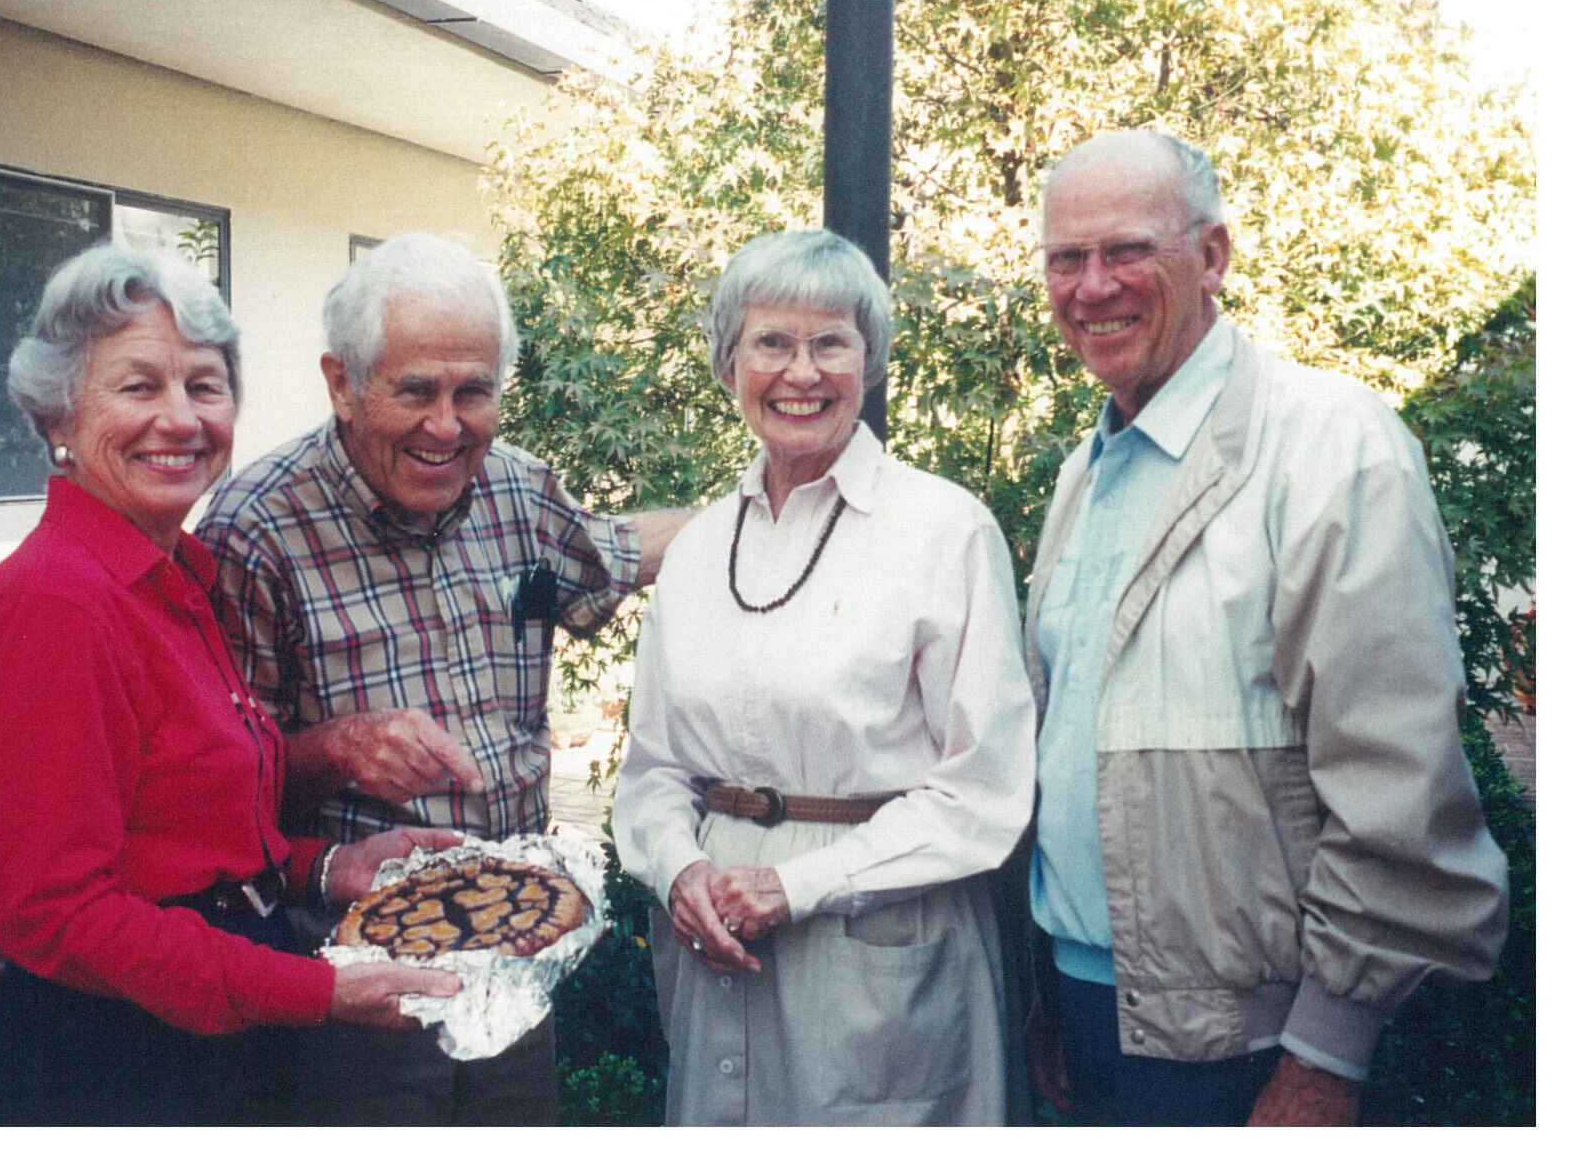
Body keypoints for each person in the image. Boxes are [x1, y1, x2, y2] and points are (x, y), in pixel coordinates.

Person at [1021, 128, 1510, 1126]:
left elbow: (1398, 782)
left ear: (1211, 256)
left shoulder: (1332, 444)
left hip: (1252, 1049)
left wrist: (1325, 1057)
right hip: (1085, 1013)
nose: (1091, 286)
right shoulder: (1087, 470)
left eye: (1126, 251)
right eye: (1065, 258)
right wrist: (1042, 993)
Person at [0, 243, 463, 1126]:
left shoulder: (178, 576)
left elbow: (186, 841)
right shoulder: (56, 602)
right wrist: (315, 992)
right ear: (57, 415)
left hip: (216, 1035)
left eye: (205, 385)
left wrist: (330, 867)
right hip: (117, 1067)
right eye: (138, 387)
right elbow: (60, 916)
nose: (179, 419)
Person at [195, 232, 691, 1125]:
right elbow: (210, 790)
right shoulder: (257, 530)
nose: (446, 425)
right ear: (341, 383)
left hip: (517, 945)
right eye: (415, 390)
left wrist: (792, 493)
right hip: (350, 981)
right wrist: (336, 749)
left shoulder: (519, 493)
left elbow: (624, 552)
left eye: (475, 392)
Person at [610, 230, 1038, 1125]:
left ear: (869, 361)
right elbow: (652, 768)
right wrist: (681, 867)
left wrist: (796, 886)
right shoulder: (696, 554)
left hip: (879, 935)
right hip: (710, 935)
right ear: (730, 362)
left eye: (830, 343)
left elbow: (986, 792)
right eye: (771, 343)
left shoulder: (944, 532)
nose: (799, 372)